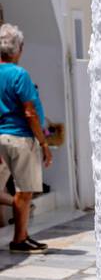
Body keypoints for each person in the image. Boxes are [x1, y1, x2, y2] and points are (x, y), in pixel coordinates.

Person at [0, 23, 52, 253]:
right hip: (20, 138)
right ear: (18, 49)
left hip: (2, 137)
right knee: (25, 190)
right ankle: (19, 239)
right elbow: (29, 112)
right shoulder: (19, 74)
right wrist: (43, 142)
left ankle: (22, 236)